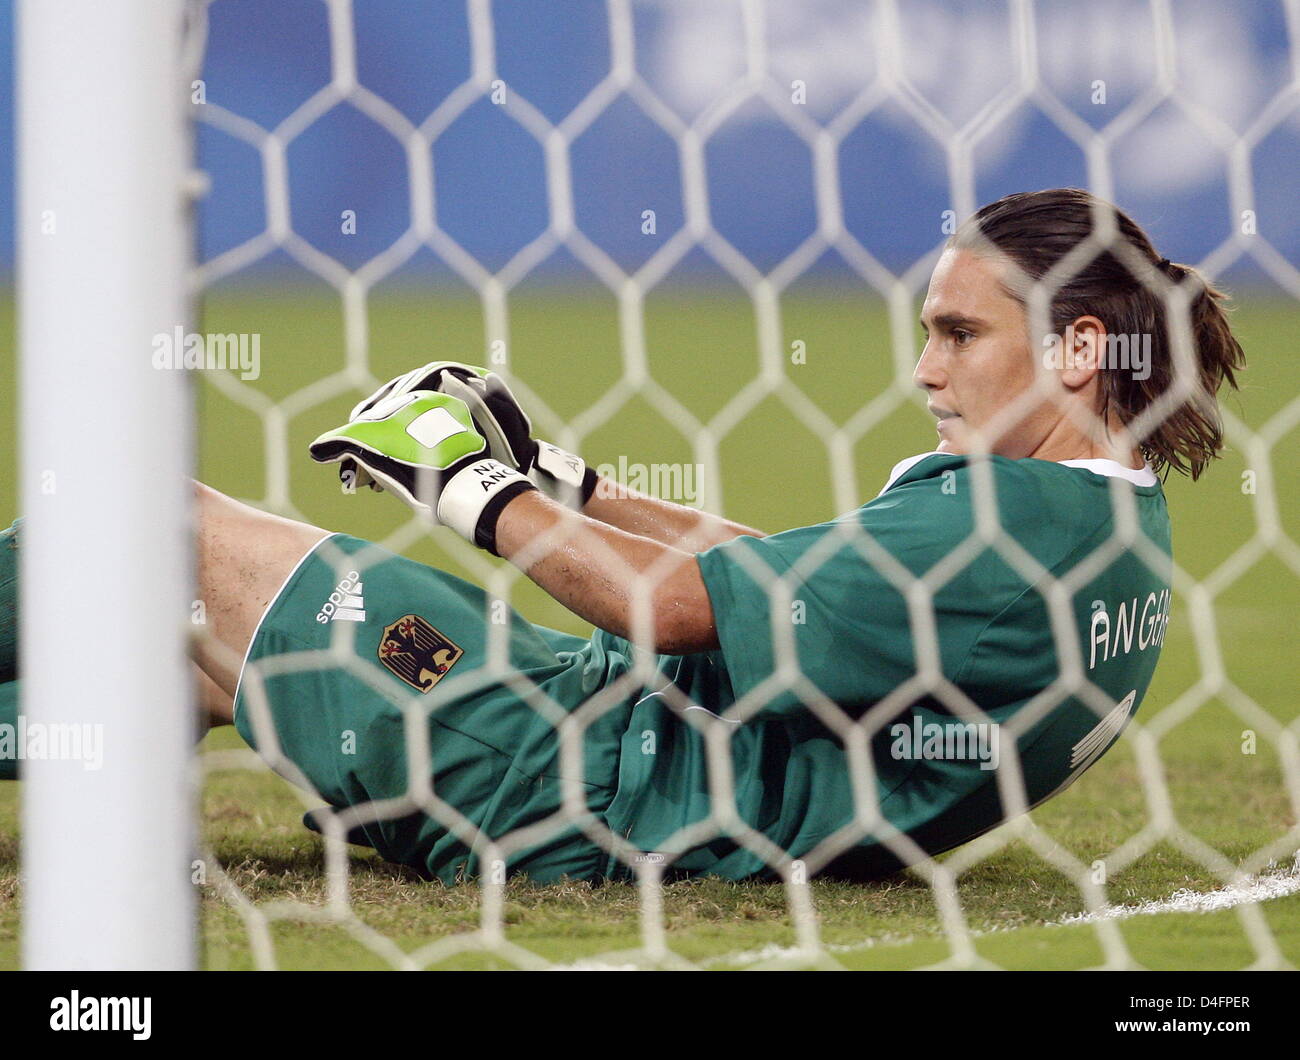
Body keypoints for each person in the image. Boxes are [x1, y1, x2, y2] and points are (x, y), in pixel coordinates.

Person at [0, 188, 1245, 884]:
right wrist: (565, 480)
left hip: (563, 780)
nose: (923, 368)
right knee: (185, 661)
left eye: (959, 333)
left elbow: (675, 610)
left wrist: (466, 492)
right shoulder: (1105, 525)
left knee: (159, 528)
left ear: (1080, 347)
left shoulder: (1001, 527)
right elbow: (779, 569)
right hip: (602, 750)